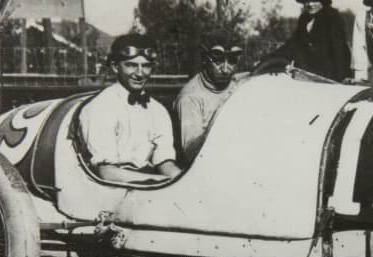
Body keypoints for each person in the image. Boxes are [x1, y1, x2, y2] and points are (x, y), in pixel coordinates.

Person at [78, 34, 183, 184]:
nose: (140, 73)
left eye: (146, 66)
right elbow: (106, 172)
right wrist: (159, 180)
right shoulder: (100, 108)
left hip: (151, 187)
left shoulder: (158, 110)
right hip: (108, 190)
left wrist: (185, 181)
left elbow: (164, 163)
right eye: (131, 65)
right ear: (115, 67)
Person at [174, 33, 247, 163]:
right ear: (204, 59)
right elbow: (191, 153)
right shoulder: (190, 98)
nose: (225, 69)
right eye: (218, 61)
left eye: (232, 61)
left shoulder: (238, 85)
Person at [258, 0, 351, 82]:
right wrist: (267, 60)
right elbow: (292, 45)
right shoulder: (304, 19)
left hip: (329, 78)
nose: (310, 4)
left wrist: (341, 77)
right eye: (307, 1)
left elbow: (339, 49)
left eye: (314, 0)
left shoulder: (332, 17)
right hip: (307, 75)